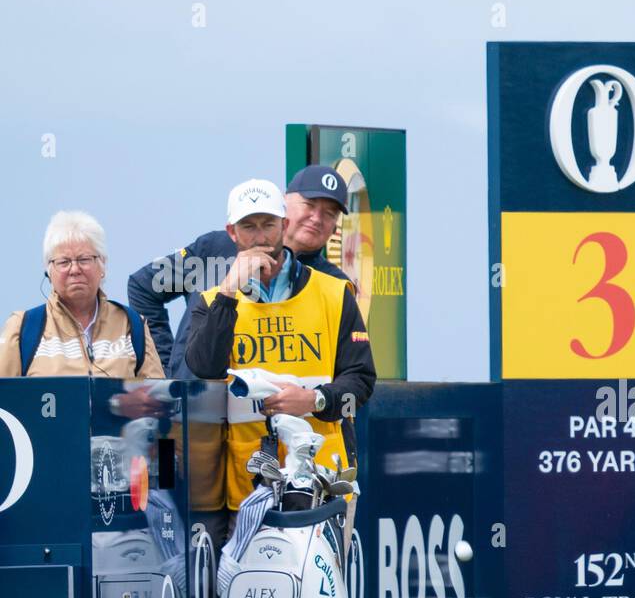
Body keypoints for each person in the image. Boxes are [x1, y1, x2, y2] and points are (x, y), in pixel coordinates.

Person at [185, 178, 375, 522]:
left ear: (284, 225)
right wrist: (229, 292)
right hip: (247, 484)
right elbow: (204, 367)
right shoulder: (213, 301)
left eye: (268, 224)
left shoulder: (335, 293)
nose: (259, 236)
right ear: (232, 232)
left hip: (324, 482)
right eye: (248, 226)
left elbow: (361, 380)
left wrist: (314, 399)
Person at [127, 165, 352, 377]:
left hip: (281, 413)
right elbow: (143, 287)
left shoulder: (334, 285)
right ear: (285, 205)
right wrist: (166, 365)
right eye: (309, 205)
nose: (317, 218)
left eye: (330, 213)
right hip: (193, 406)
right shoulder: (214, 247)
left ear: (336, 227)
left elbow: (350, 372)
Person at [1, 211, 163, 379]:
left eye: (84, 259)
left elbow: (158, 398)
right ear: (48, 271)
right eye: (64, 262)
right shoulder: (23, 329)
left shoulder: (132, 325)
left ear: (102, 265)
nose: (75, 270)